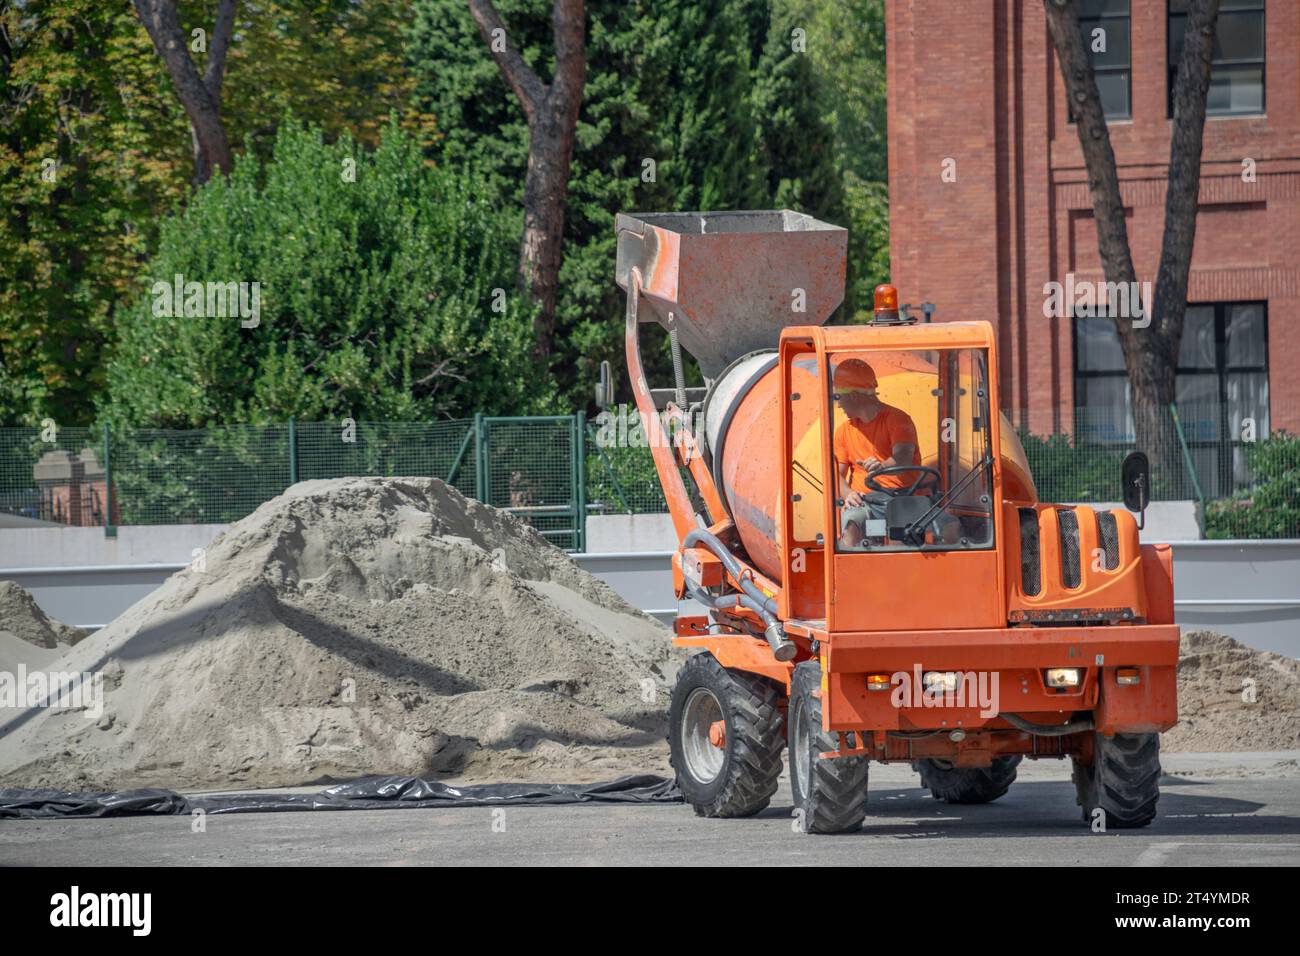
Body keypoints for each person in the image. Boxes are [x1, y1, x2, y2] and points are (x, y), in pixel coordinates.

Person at [832, 358, 923, 548]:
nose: (838, 405)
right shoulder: (843, 432)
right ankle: (852, 575)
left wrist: (882, 466)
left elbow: (903, 457)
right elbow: (836, 476)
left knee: (948, 528)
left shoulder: (898, 419)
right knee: (851, 527)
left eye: (838, 397)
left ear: (854, 396)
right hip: (866, 502)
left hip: (904, 498)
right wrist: (848, 493)